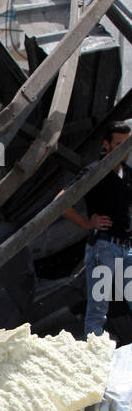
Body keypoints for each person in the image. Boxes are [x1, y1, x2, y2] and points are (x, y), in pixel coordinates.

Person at [64, 122, 132, 337]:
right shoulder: (95, 171)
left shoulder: (128, 174)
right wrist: (87, 223)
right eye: (119, 144)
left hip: (126, 251)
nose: (124, 149)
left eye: (128, 144)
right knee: (98, 309)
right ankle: (92, 359)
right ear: (107, 145)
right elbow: (62, 202)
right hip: (104, 249)